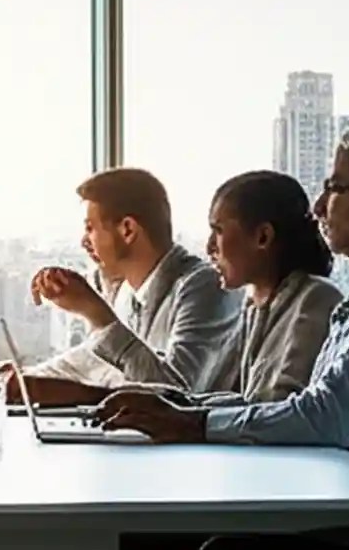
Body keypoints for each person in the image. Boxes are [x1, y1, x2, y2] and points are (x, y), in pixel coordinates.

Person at [97, 119, 349, 550]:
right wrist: (188, 416)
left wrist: (195, 424)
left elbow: (326, 415)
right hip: (340, 503)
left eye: (335, 188)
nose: (319, 207)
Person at [11, 170, 342, 408]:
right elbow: (214, 400)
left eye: (218, 231)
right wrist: (22, 380)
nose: (210, 245)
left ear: (262, 238)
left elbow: (270, 409)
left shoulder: (311, 300)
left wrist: (97, 316)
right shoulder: (256, 306)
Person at [23, 168, 243, 394]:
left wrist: (98, 315)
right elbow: (92, 364)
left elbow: (178, 394)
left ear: (127, 229)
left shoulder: (203, 287)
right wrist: (17, 377)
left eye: (90, 228)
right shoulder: (126, 292)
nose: (84, 242)